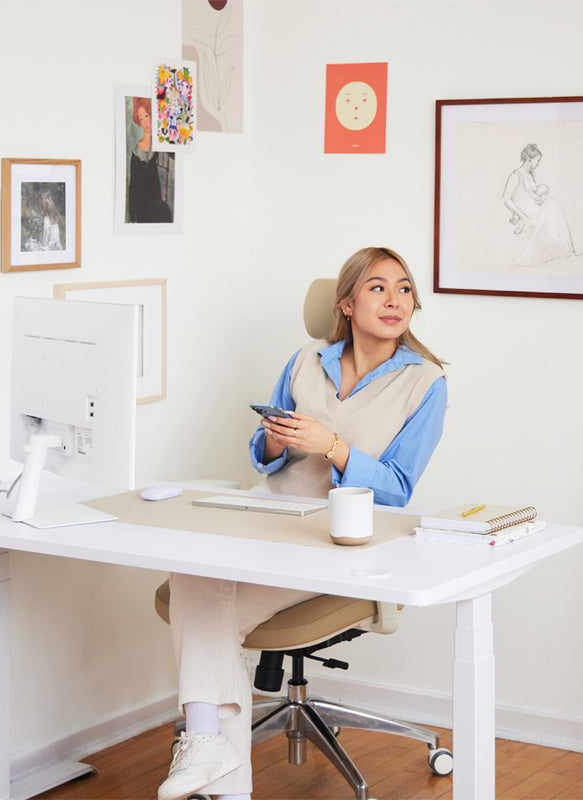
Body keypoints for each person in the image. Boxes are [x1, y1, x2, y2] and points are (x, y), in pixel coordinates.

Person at [158, 247, 447, 800]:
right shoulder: (304, 360)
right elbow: (262, 456)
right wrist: (273, 439)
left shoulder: (425, 384)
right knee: (195, 570)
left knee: (199, 593)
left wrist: (333, 447)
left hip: (339, 541)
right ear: (347, 302)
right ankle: (210, 749)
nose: (395, 300)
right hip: (267, 517)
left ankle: (206, 744)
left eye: (405, 289)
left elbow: (398, 488)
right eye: (378, 287)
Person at [502, 143, 576, 265]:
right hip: (525, 212)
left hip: (534, 207)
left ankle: (564, 245)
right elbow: (506, 200)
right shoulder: (515, 175)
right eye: (537, 160)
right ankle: (562, 246)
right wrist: (522, 216)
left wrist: (542, 198)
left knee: (553, 204)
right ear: (529, 159)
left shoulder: (531, 175)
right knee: (553, 204)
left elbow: (534, 192)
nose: (538, 164)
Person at [128, 96, 173, 223]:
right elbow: (133, 185)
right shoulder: (136, 150)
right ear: (139, 122)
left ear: (151, 115)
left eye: (146, 116)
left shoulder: (158, 142)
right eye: (141, 119)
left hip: (155, 199)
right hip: (140, 203)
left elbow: (174, 154)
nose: (145, 122)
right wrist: (132, 216)